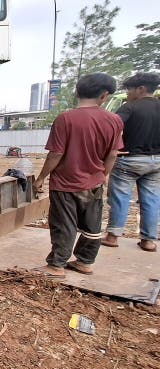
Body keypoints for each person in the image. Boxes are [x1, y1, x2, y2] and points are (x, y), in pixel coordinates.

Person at [33, 73, 123, 278]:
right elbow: (112, 154)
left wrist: (41, 178)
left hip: (65, 183)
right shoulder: (114, 120)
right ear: (104, 96)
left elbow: (56, 153)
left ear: (77, 92)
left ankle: (56, 265)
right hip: (94, 182)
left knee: (63, 223)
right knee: (92, 224)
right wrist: (103, 175)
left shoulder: (66, 119)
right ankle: (85, 261)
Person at [102, 72, 160, 252]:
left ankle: (113, 236)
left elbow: (111, 128)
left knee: (120, 198)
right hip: (156, 161)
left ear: (140, 89)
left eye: (129, 90)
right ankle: (148, 240)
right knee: (151, 200)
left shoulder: (129, 107)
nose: (127, 94)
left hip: (129, 158)